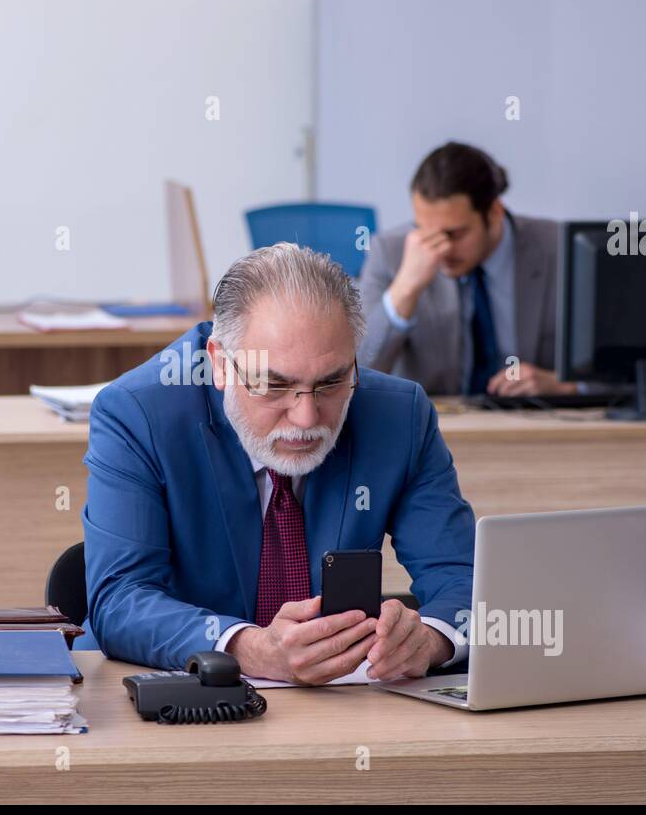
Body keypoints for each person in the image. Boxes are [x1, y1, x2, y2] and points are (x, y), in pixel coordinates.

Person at [81, 243, 475, 685]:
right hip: (182, 697)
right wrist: (247, 648)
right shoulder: (138, 413)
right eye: (273, 385)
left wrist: (433, 638)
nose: (306, 418)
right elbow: (121, 599)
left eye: (330, 383)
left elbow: (462, 575)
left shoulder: (400, 416)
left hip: (341, 709)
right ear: (219, 363)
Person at [358, 141, 575, 397]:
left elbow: (623, 372)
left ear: (494, 212)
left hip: (539, 425)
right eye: (426, 230)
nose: (443, 249)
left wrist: (563, 385)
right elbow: (358, 371)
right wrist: (404, 290)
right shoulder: (390, 253)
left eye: (455, 233)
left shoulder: (560, 248)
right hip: (439, 428)